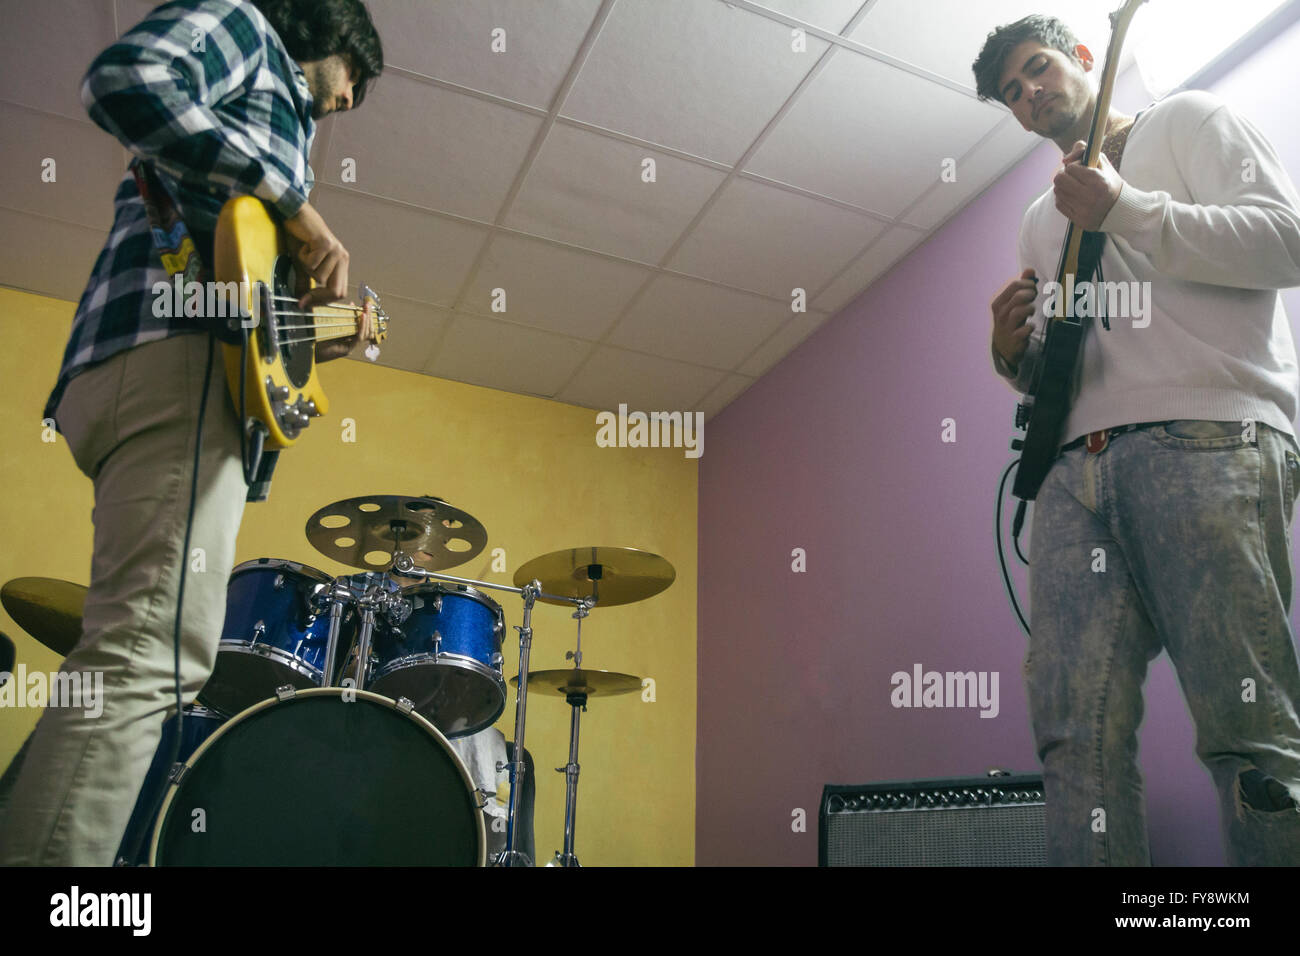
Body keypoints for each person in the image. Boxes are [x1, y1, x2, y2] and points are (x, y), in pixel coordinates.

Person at [0, 0, 383, 865]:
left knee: (127, 650)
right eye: (358, 77)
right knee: (152, 654)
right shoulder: (249, 26)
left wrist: (331, 336)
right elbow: (124, 77)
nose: (352, 101)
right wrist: (297, 203)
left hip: (143, 365)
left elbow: (245, 307)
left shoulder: (259, 143)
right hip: (173, 362)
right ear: (334, 41)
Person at [975, 14, 1300, 865]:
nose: (1028, 95)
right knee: (1072, 739)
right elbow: (1072, 359)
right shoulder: (1040, 221)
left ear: (1087, 57)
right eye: (1011, 92)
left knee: (1249, 728)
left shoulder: (1191, 120)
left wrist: (1128, 207)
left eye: (1037, 69)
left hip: (1209, 438)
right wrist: (1015, 357)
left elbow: (1286, 240)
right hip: (1073, 477)